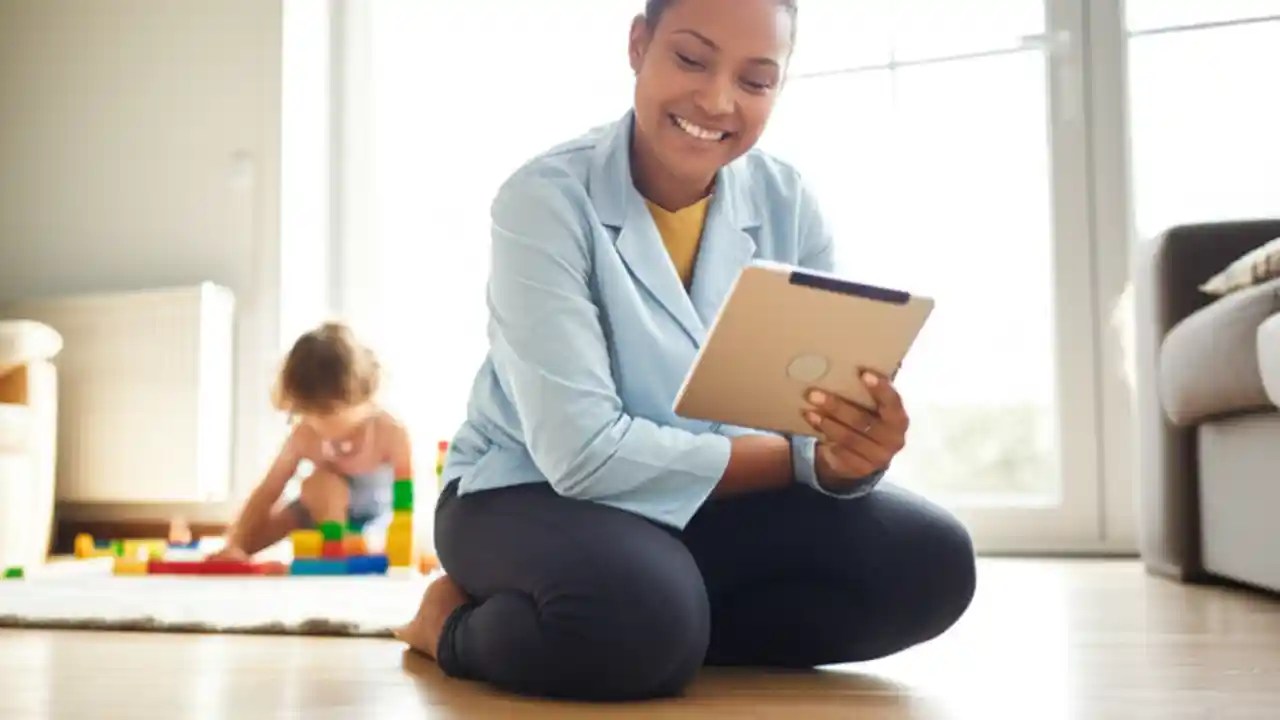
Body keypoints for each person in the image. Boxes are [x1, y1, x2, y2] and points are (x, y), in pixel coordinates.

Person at [396, 0, 975, 701]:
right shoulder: (542, 201)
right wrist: (803, 461)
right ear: (639, 45)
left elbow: (802, 421)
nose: (718, 99)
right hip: (525, 490)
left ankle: (664, 617)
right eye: (692, 59)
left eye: (756, 81)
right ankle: (451, 622)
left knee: (931, 563)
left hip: (698, 504)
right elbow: (583, 455)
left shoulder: (789, 202)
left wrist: (851, 455)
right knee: (640, 621)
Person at [213, 322, 413, 560]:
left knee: (328, 487)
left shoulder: (389, 432)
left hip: (372, 520)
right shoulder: (305, 433)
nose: (319, 424)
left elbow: (405, 497)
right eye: (309, 413)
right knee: (313, 490)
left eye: (330, 413)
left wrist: (400, 539)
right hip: (316, 513)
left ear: (363, 395)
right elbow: (269, 489)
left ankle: (338, 547)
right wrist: (236, 542)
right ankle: (330, 540)